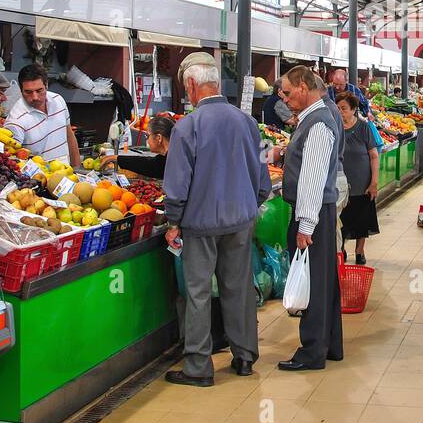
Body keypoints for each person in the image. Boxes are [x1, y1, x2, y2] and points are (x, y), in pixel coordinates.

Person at [163, 60, 271, 387]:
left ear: (193, 86)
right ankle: (244, 357)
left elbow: (177, 184)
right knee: (238, 288)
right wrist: (249, 205)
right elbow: (263, 178)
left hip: (199, 225)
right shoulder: (248, 123)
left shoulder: (187, 127)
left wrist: (173, 220)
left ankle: (198, 367)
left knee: (198, 293)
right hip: (240, 221)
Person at [277, 67, 345, 370]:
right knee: (324, 280)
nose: (286, 100)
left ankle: (312, 352)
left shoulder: (317, 124)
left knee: (314, 283)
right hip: (320, 213)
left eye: (289, 93)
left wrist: (305, 225)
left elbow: (312, 179)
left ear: (304, 87)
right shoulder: (315, 119)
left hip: (315, 215)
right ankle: (329, 344)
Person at [336, 92, 381, 265]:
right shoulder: (335, 127)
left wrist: (374, 182)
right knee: (342, 220)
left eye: (344, 108)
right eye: (338, 108)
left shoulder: (364, 127)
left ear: (354, 110)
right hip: (340, 184)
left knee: (362, 219)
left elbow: (374, 156)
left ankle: (359, 251)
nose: (340, 112)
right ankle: (342, 250)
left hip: (362, 183)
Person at [5, 65, 80, 165]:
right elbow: (12, 158)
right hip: (39, 178)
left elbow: (69, 135)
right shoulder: (15, 120)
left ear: (47, 85)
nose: (35, 97)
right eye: (28, 92)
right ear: (21, 89)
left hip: (67, 174)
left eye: (39, 90)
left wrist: (77, 167)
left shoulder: (58, 100)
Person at [118, 115, 173, 180]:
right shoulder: (170, 157)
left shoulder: (174, 161)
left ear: (159, 138)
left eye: (148, 136)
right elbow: (151, 164)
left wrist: (117, 159)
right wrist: (117, 159)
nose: (147, 141)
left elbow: (153, 166)